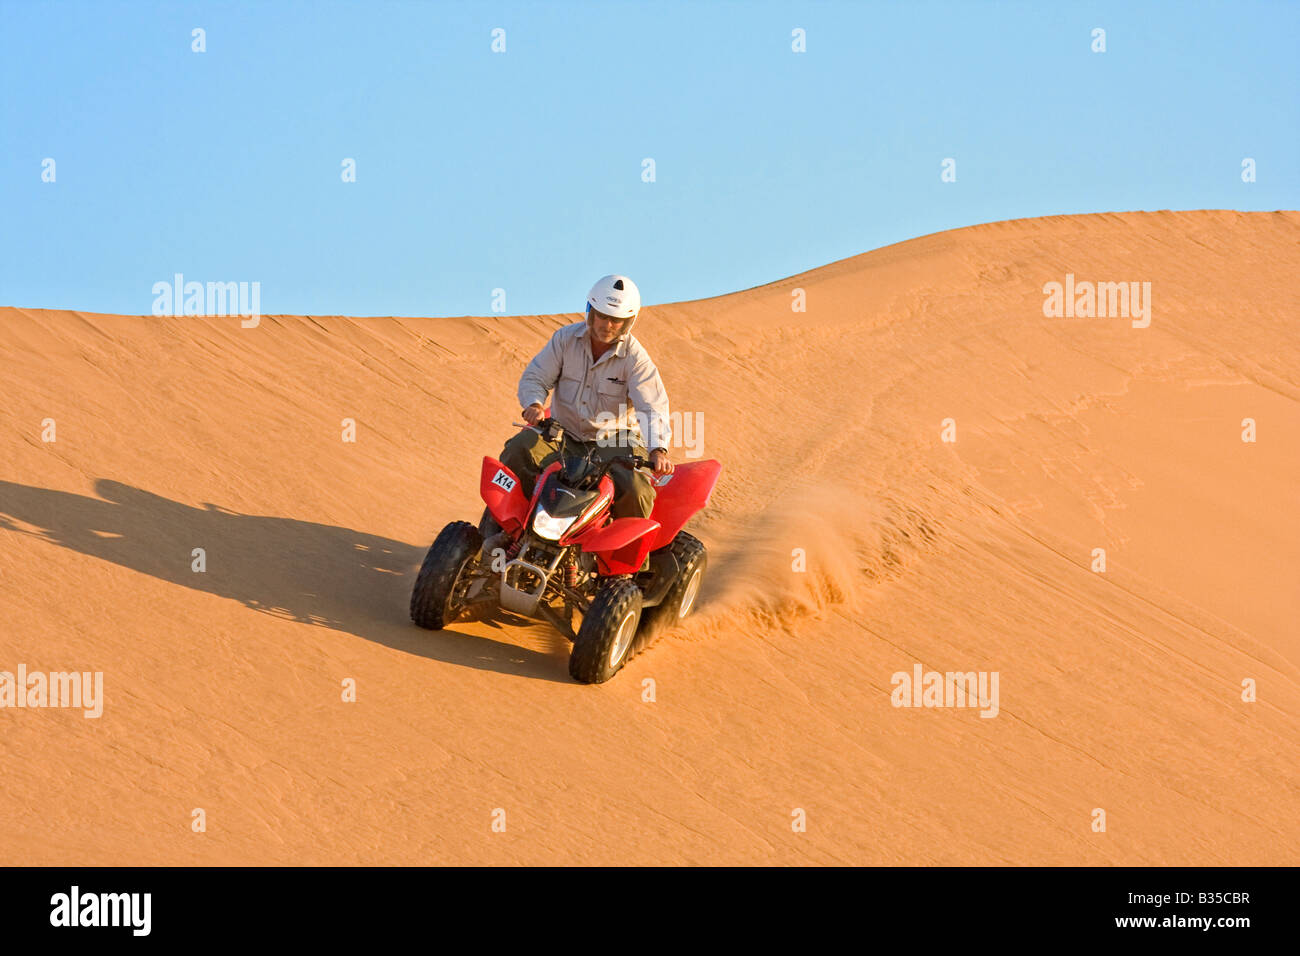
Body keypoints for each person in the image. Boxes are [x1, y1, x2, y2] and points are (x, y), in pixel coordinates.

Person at [493, 274, 673, 528]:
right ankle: (505, 528)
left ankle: (621, 565)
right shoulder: (565, 339)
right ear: (590, 311)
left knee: (637, 490)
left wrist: (658, 449)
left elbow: (652, 407)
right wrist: (533, 404)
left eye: (616, 320)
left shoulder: (636, 358)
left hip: (613, 442)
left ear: (629, 322)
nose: (607, 325)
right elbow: (536, 376)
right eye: (602, 315)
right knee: (517, 450)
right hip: (561, 433)